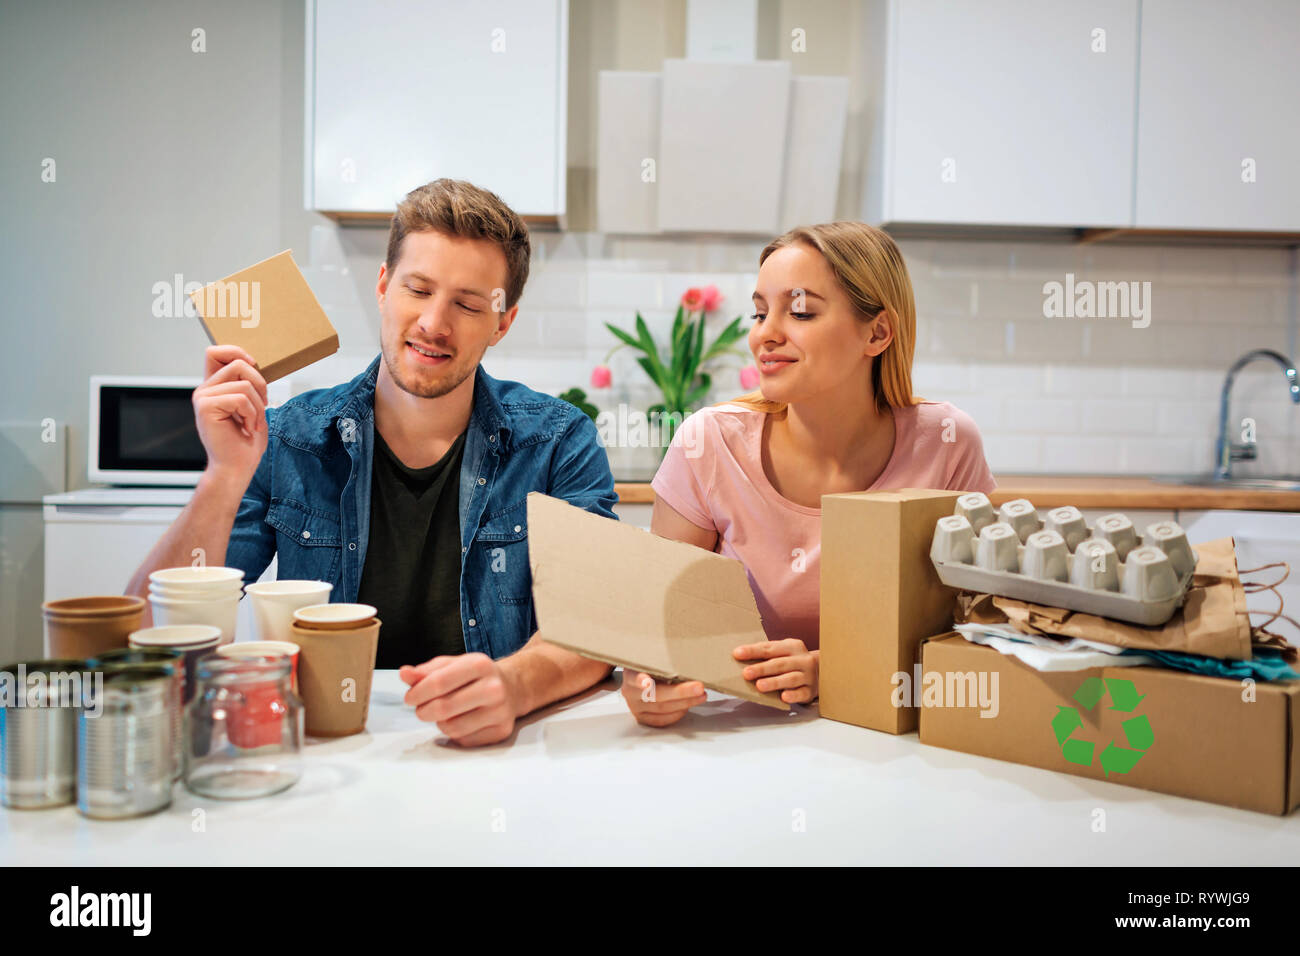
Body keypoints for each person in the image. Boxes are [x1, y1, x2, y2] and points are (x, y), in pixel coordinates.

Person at [126, 179, 617, 747]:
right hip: (327, 746)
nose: (435, 322)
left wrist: (514, 685)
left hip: (497, 750)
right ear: (383, 287)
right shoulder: (288, 437)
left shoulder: (558, 439)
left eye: (467, 303)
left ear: (502, 322)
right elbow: (146, 629)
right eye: (418, 289)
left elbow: (598, 620)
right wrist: (223, 475)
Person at [621, 221, 996, 726]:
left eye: (799, 311)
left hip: (891, 738)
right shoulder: (708, 442)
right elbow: (657, 627)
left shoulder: (948, 443)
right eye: (759, 312)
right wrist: (645, 681)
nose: (764, 334)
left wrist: (833, 672)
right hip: (738, 739)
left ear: (877, 332)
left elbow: (977, 629)